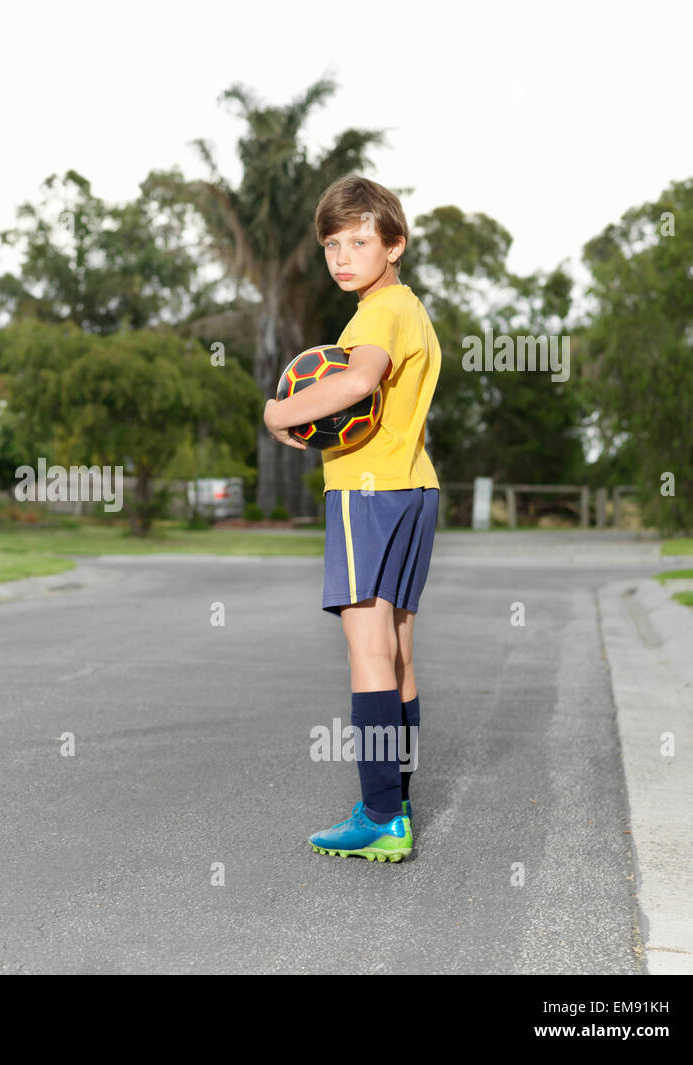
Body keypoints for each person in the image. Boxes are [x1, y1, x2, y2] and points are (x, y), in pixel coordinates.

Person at [263, 175, 441, 862]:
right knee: (398, 652)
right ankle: (396, 797)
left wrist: (279, 411)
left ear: (394, 243)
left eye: (359, 241)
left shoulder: (374, 316)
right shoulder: (411, 309)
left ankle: (379, 815)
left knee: (369, 651)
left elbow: (359, 380)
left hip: (367, 495)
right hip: (414, 490)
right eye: (333, 243)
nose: (342, 256)